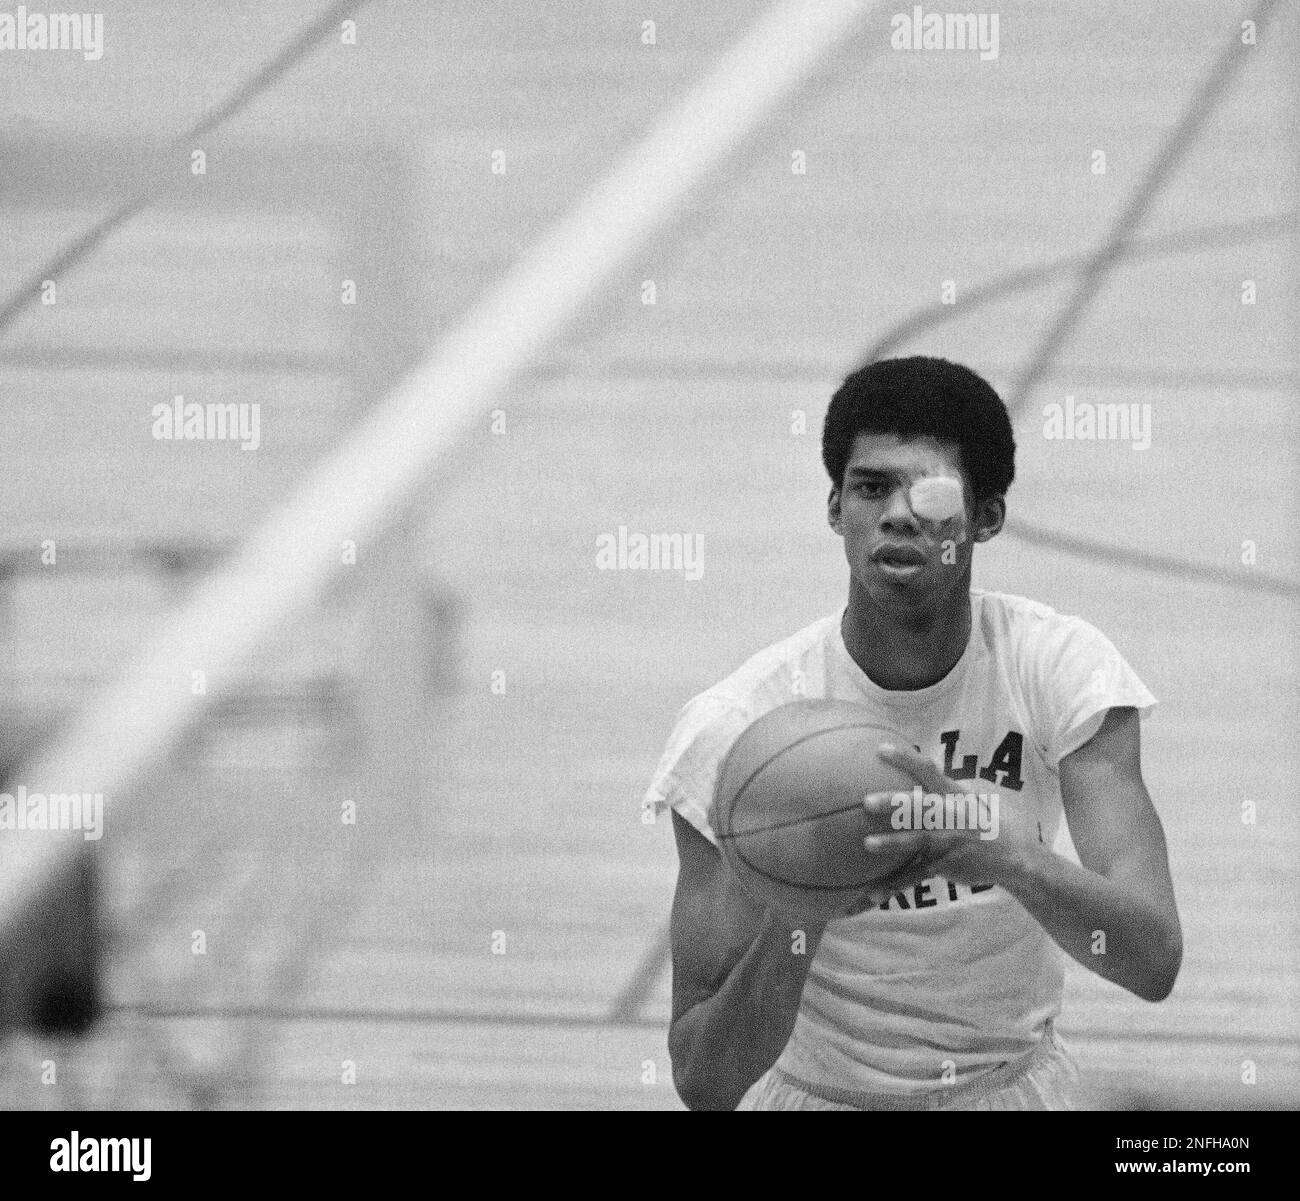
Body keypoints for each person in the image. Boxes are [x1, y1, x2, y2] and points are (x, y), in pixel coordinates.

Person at [644, 355, 1182, 1111]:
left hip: (1009, 1088)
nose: (897, 514)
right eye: (870, 487)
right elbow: (703, 1078)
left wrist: (1005, 856)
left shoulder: (1060, 669)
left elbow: (1152, 959)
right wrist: (800, 922)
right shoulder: (736, 729)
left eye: (928, 493)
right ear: (835, 508)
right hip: (812, 1095)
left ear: (986, 517)